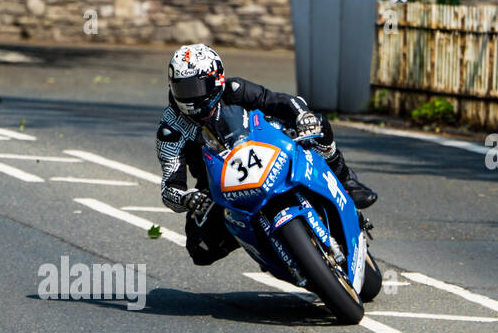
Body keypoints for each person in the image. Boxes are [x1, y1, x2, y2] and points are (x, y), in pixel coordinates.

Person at [156, 43, 377, 265]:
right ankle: (260, 241)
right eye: (182, 89)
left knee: (317, 124)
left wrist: (302, 116)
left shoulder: (233, 89)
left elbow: (281, 101)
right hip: (218, 182)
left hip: (263, 146)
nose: (190, 97)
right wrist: (187, 199)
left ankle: (345, 180)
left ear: (216, 80)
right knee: (200, 250)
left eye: (196, 88)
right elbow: (169, 187)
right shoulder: (171, 129)